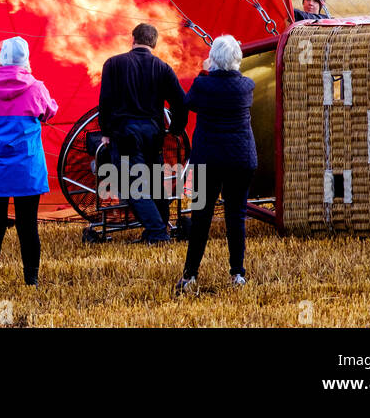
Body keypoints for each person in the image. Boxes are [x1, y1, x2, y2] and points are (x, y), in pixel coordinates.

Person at [174, 35, 257, 295]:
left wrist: (205, 72)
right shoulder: (247, 86)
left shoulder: (202, 85)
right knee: (236, 216)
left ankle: (190, 275)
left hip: (207, 161)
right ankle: (237, 273)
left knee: (201, 217)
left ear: (214, 60)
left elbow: (189, 104)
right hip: (240, 160)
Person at [0, 37, 58, 291]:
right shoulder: (36, 87)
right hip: (27, 167)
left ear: (1, 57)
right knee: (28, 225)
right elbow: (50, 112)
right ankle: (31, 281)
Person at [98, 23, 186, 243]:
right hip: (154, 133)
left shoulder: (113, 64)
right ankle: (158, 227)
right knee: (156, 182)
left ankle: (157, 232)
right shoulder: (163, 68)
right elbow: (180, 102)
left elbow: (105, 101)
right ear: (154, 43)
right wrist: (175, 129)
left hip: (125, 133)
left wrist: (106, 131)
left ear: (133, 38)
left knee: (133, 185)